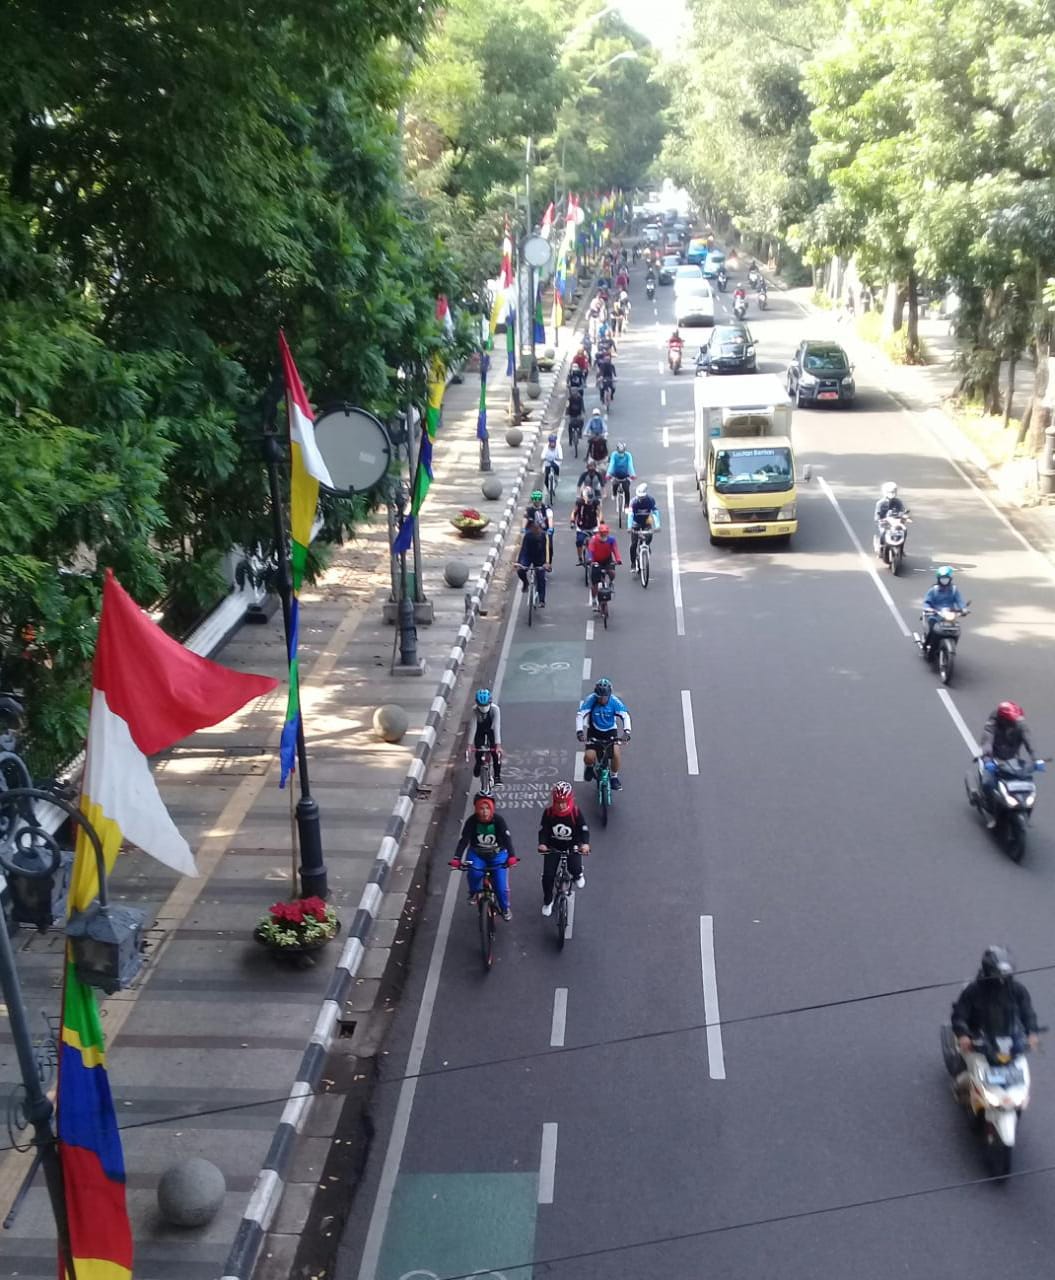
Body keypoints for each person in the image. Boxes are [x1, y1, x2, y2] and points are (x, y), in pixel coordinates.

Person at [950, 947, 1039, 1096]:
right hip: (978, 1037)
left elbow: (1028, 1013)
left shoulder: (1018, 990)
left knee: (1018, 1067)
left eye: (1005, 975)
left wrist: (1032, 1033)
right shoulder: (973, 991)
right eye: (998, 975)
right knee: (965, 1078)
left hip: (1008, 1036)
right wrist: (964, 1035)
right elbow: (959, 1015)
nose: (1001, 980)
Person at [451, 792, 517, 920]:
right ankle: (474, 893)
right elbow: (464, 840)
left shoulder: (499, 821)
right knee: (473, 874)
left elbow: (507, 839)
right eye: (481, 808)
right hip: (477, 855)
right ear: (476, 809)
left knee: (501, 887)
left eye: (487, 808)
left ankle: (504, 909)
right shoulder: (471, 821)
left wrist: (512, 856)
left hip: (498, 855)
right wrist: (457, 858)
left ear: (492, 808)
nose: (484, 812)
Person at [978, 701, 1037, 828]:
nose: (1013, 723)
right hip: (994, 758)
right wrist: (988, 760)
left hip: (1012, 759)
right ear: (1003, 720)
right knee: (988, 783)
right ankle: (991, 812)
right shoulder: (992, 723)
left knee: (1027, 784)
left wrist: (1035, 758)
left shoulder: (1020, 723)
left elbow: (1029, 741)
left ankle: (1025, 813)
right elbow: (987, 740)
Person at [537, 781, 590, 916]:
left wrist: (585, 844)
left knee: (575, 867)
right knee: (548, 876)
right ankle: (548, 901)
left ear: (570, 800)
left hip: (571, 846)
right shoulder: (549, 813)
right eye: (558, 802)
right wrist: (542, 844)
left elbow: (584, 830)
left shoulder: (575, 813)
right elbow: (543, 831)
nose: (561, 805)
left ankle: (578, 874)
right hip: (553, 847)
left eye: (564, 802)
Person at [576, 677, 632, 790]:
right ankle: (589, 767)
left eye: (604, 697)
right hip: (594, 731)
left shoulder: (615, 702)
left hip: (610, 731)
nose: (602, 700)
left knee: (616, 754)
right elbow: (580, 715)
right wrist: (580, 732)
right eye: (599, 697)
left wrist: (626, 732)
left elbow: (625, 715)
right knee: (589, 757)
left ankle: (614, 777)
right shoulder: (591, 700)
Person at [921, 565, 966, 656]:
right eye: (942, 578)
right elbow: (927, 602)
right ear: (938, 578)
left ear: (950, 579)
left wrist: (964, 609)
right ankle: (926, 647)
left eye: (946, 578)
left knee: (956, 630)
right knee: (933, 630)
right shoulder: (933, 590)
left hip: (949, 615)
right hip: (935, 615)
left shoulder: (954, 590)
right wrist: (928, 608)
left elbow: (960, 600)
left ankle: (951, 646)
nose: (944, 580)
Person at [469, 688, 502, 790]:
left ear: (490, 702)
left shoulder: (495, 709)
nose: (483, 708)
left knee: (496, 755)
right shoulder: (474, 710)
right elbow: (473, 727)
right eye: (481, 706)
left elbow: (496, 726)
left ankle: (497, 777)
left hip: (491, 729)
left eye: (485, 705)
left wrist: (498, 745)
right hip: (479, 730)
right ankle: (478, 763)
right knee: (478, 750)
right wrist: (469, 745)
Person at [585, 521, 621, 611]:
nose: (604, 535)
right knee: (595, 584)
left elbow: (615, 550)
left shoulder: (611, 540)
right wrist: (590, 560)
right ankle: (594, 600)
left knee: (612, 572)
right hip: (596, 561)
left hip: (607, 559)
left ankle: (611, 582)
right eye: (602, 533)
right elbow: (590, 551)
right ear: (599, 533)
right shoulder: (594, 540)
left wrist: (618, 559)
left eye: (606, 533)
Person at [516, 518, 549, 606]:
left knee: (541, 577)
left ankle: (542, 600)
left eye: (538, 528)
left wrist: (547, 562)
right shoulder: (528, 536)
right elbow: (523, 550)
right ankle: (525, 582)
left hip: (539, 558)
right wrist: (519, 563)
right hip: (528, 556)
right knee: (520, 570)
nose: (536, 530)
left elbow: (547, 550)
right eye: (534, 528)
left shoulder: (543, 536)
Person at [628, 482, 660, 568]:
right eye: (639, 497)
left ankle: (646, 546)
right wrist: (629, 527)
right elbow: (630, 515)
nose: (641, 499)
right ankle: (633, 563)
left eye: (642, 497)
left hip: (646, 521)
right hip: (636, 522)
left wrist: (657, 525)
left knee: (649, 536)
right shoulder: (633, 502)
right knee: (633, 544)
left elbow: (655, 512)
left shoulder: (650, 500)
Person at [571, 485, 602, 564]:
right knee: (579, 541)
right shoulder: (579, 502)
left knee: (599, 541)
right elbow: (574, 512)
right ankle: (580, 557)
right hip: (582, 527)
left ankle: (598, 556)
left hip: (593, 526)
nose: (589, 502)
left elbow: (599, 513)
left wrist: (601, 522)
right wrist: (572, 521)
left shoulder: (595, 502)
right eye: (588, 500)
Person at [873, 481, 908, 551]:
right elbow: (877, 514)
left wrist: (904, 516)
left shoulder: (898, 502)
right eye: (889, 492)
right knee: (883, 532)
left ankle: (901, 548)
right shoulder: (880, 503)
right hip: (885, 523)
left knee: (904, 531)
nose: (891, 494)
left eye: (893, 492)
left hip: (896, 522)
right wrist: (879, 519)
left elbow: (902, 511)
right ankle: (881, 546)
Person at [607, 442, 636, 512]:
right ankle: (614, 494)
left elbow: (630, 465)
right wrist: (608, 474)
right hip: (616, 474)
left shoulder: (628, 455)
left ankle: (626, 506)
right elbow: (611, 464)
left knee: (626, 490)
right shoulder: (614, 454)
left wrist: (632, 475)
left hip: (625, 475)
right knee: (614, 484)